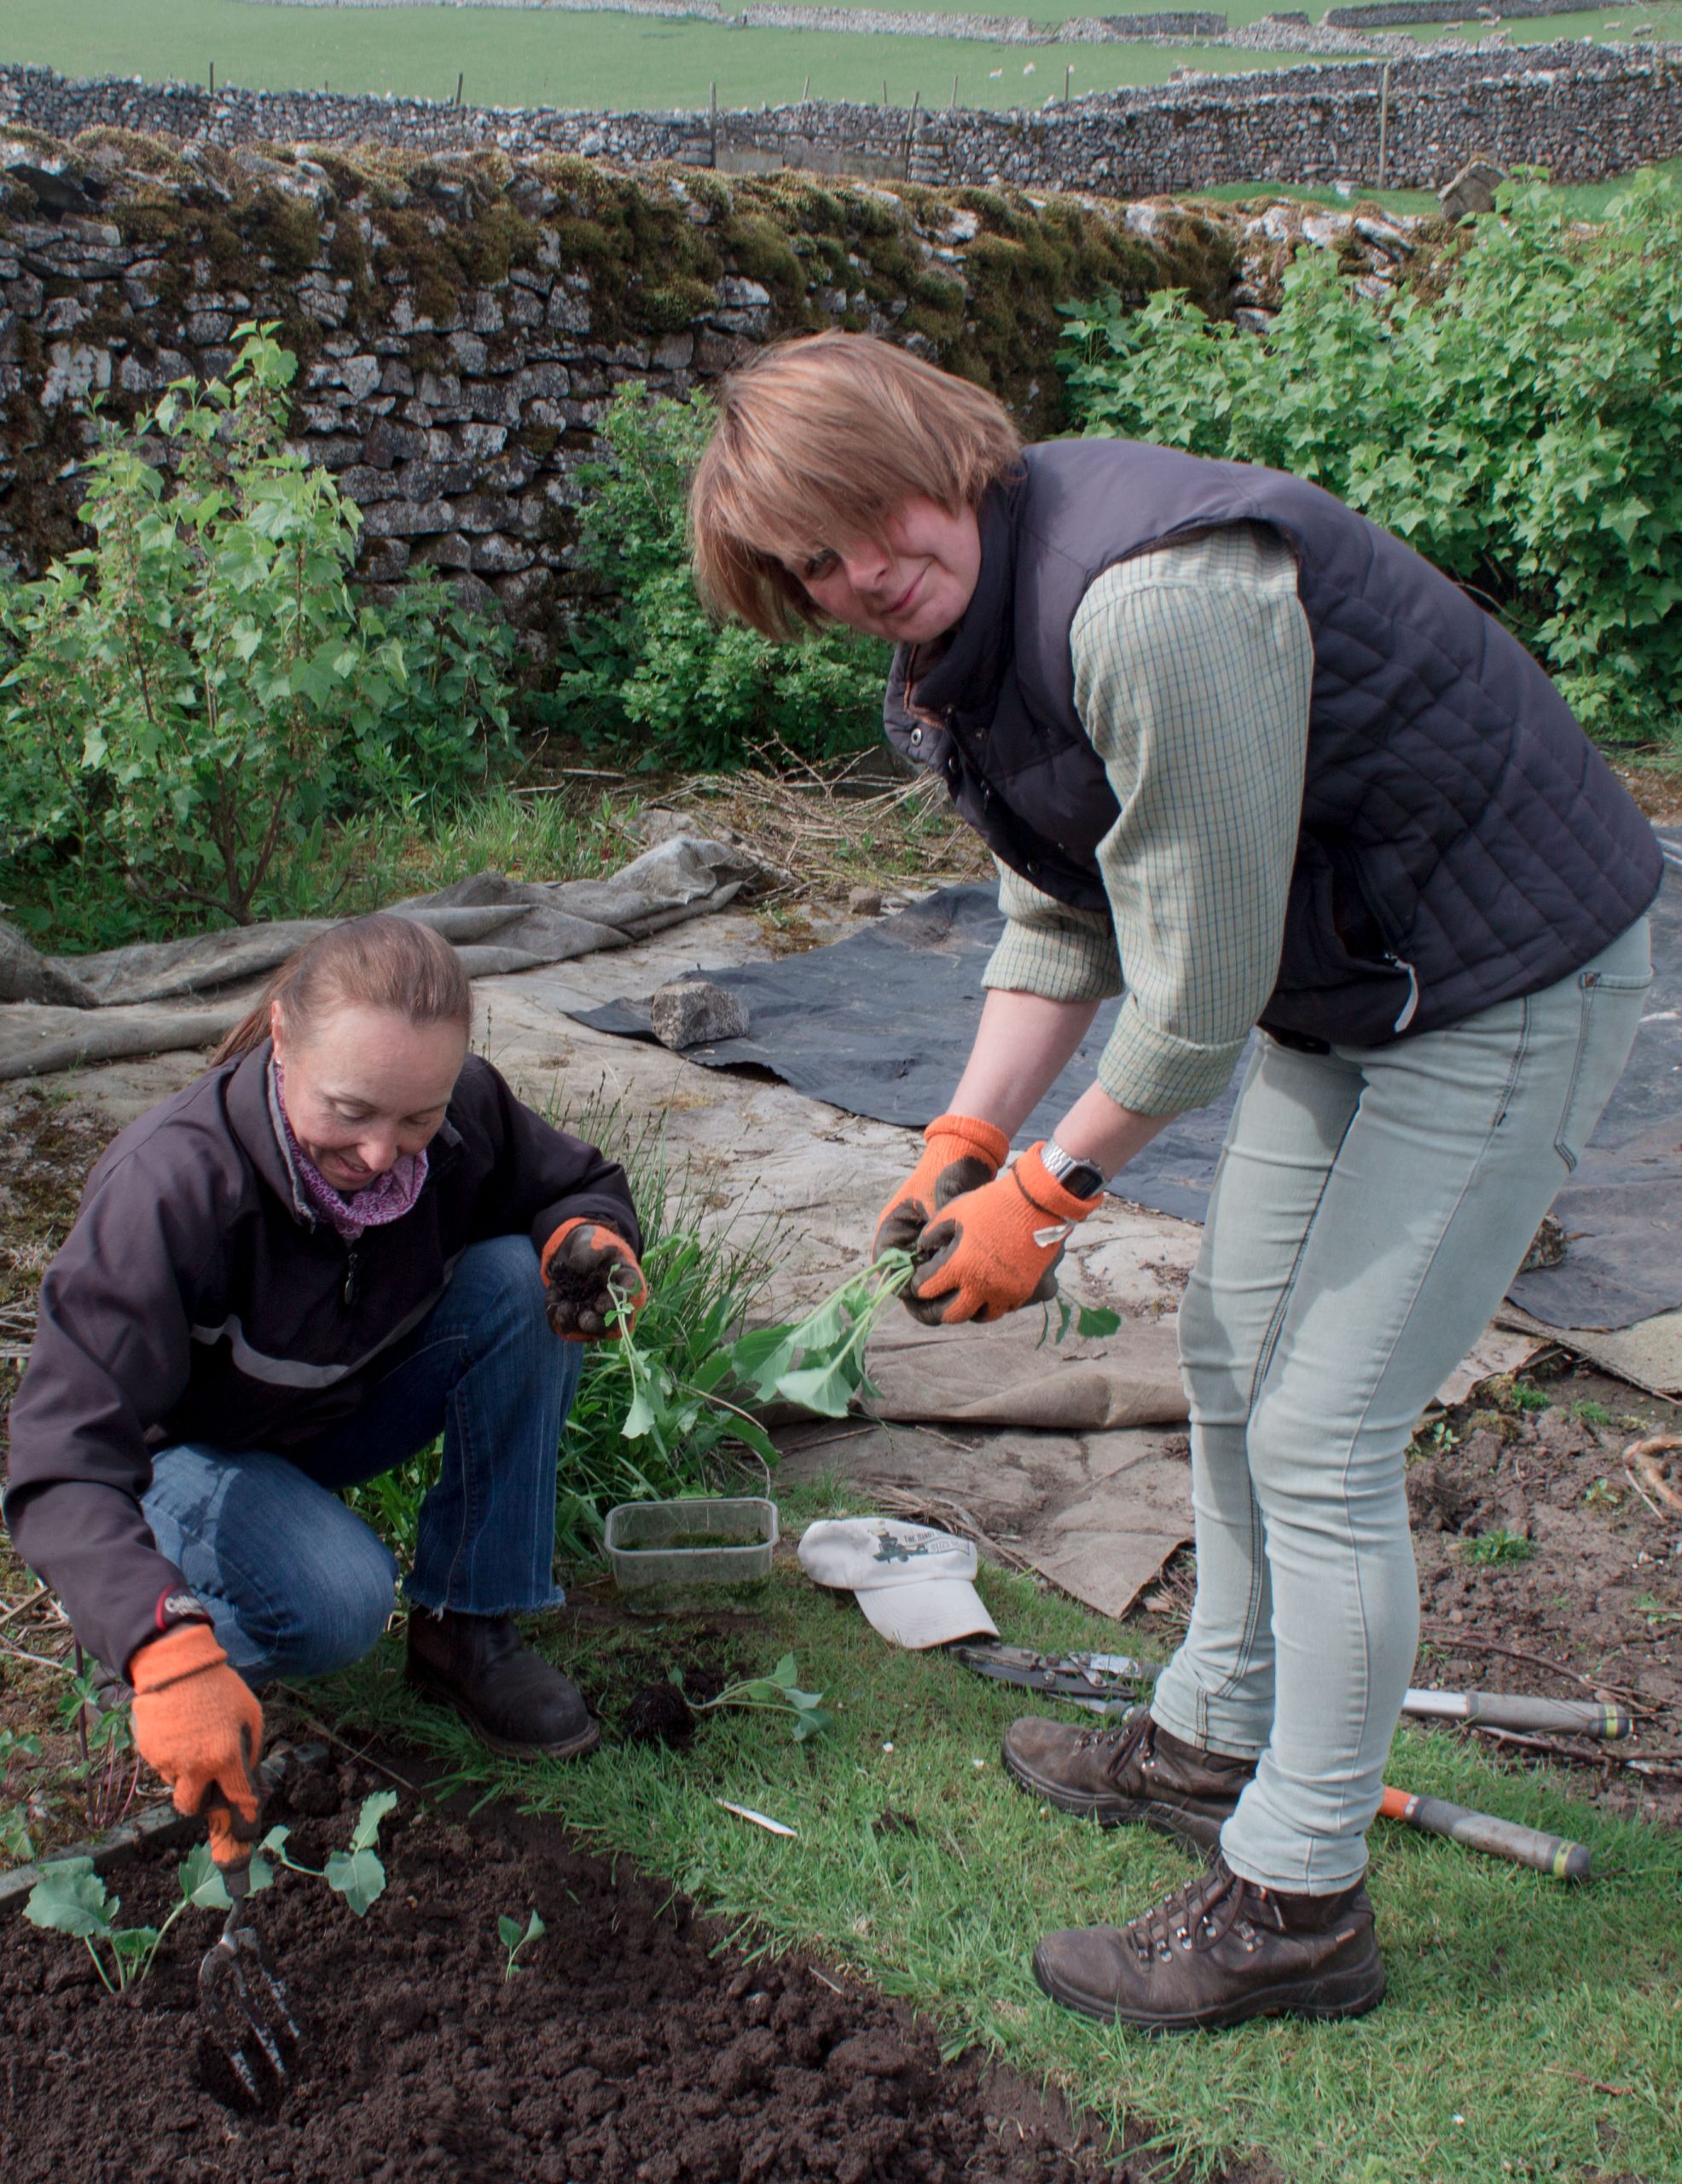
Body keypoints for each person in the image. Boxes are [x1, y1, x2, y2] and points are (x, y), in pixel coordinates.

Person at [689, 331, 1662, 2032]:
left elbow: (1193, 992)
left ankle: (1295, 1900)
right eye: (811, 564)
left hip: (1494, 976)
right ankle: (1207, 1731)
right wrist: (960, 1142)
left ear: (940, 448)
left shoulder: (1146, 603)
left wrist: (1047, 1198)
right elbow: (1062, 904)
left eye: (868, 521)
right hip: (1345, 978)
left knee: (1322, 1430)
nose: (859, 575)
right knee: (1226, 1356)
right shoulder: (958, 642)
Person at [3, 914, 646, 1867]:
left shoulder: (459, 1106)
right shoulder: (170, 1188)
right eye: (350, 1111)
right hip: (185, 1453)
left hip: (336, 1405)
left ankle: (468, 1632)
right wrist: (159, 1644)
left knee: (524, 1280)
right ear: (280, 1038)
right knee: (339, 1601)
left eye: (415, 1119)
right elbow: (57, 1460)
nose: (385, 1154)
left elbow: (573, 1183)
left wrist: (589, 1240)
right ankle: (146, 1645)